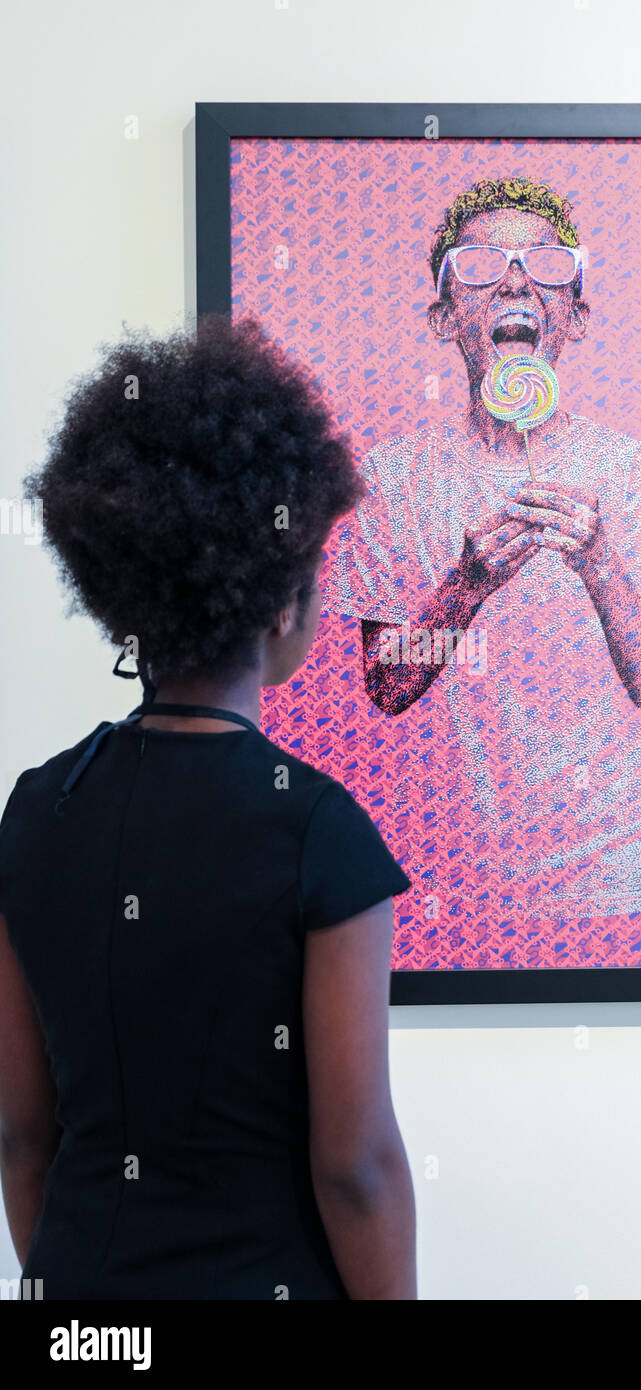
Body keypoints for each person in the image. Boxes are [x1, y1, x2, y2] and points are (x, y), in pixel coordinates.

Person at [0, 315, 417, 1300]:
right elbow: (354, 1167)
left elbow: (22, 1131)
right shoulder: (320, 832)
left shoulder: (33, 813)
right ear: (283, 600)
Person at [322, 176, 641, 955]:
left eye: (545, 264)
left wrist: (598, 561)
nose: (514, 278)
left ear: (576, 317)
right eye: (479, 265)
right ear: (443, 319)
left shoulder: (629, 470)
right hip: (447, 869)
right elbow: (388, 689)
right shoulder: (394, 477)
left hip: (612, 865)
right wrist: (465, 587)